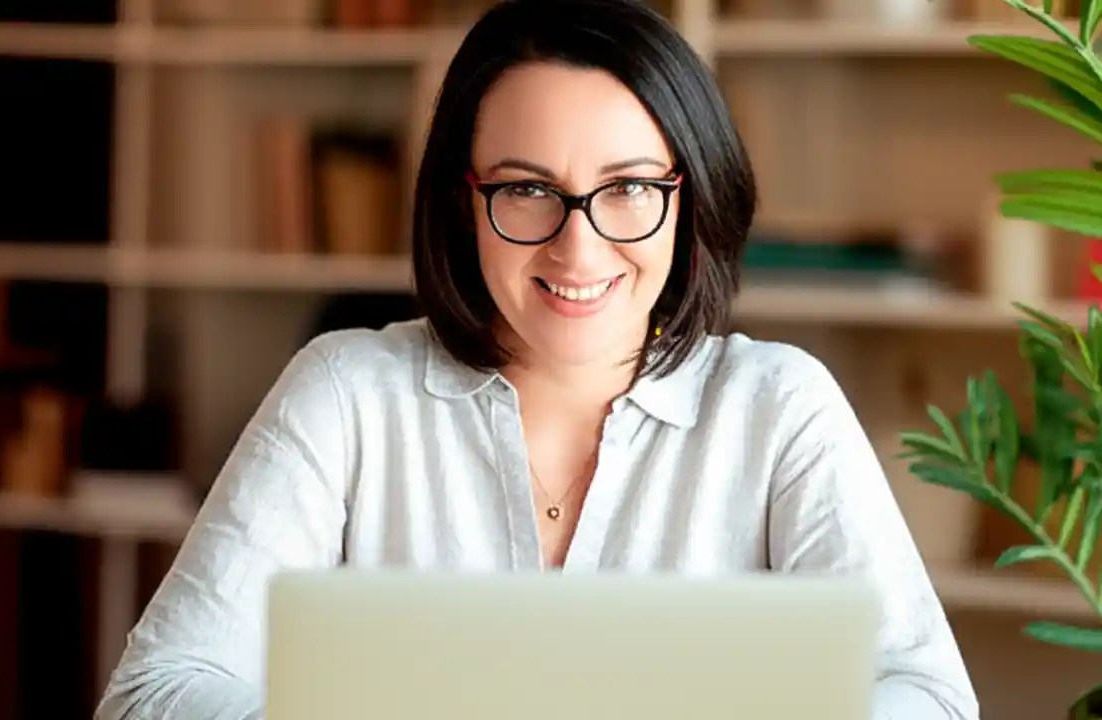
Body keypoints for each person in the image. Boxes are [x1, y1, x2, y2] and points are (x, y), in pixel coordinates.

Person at [96, 1, 979, 718]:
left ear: (690, 196)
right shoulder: (346, 394)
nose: (578, 248)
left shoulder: (779, 408)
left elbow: (929, 696)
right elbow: (152, 696)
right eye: (527, 190)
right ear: (463, 200)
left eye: (628, 188)